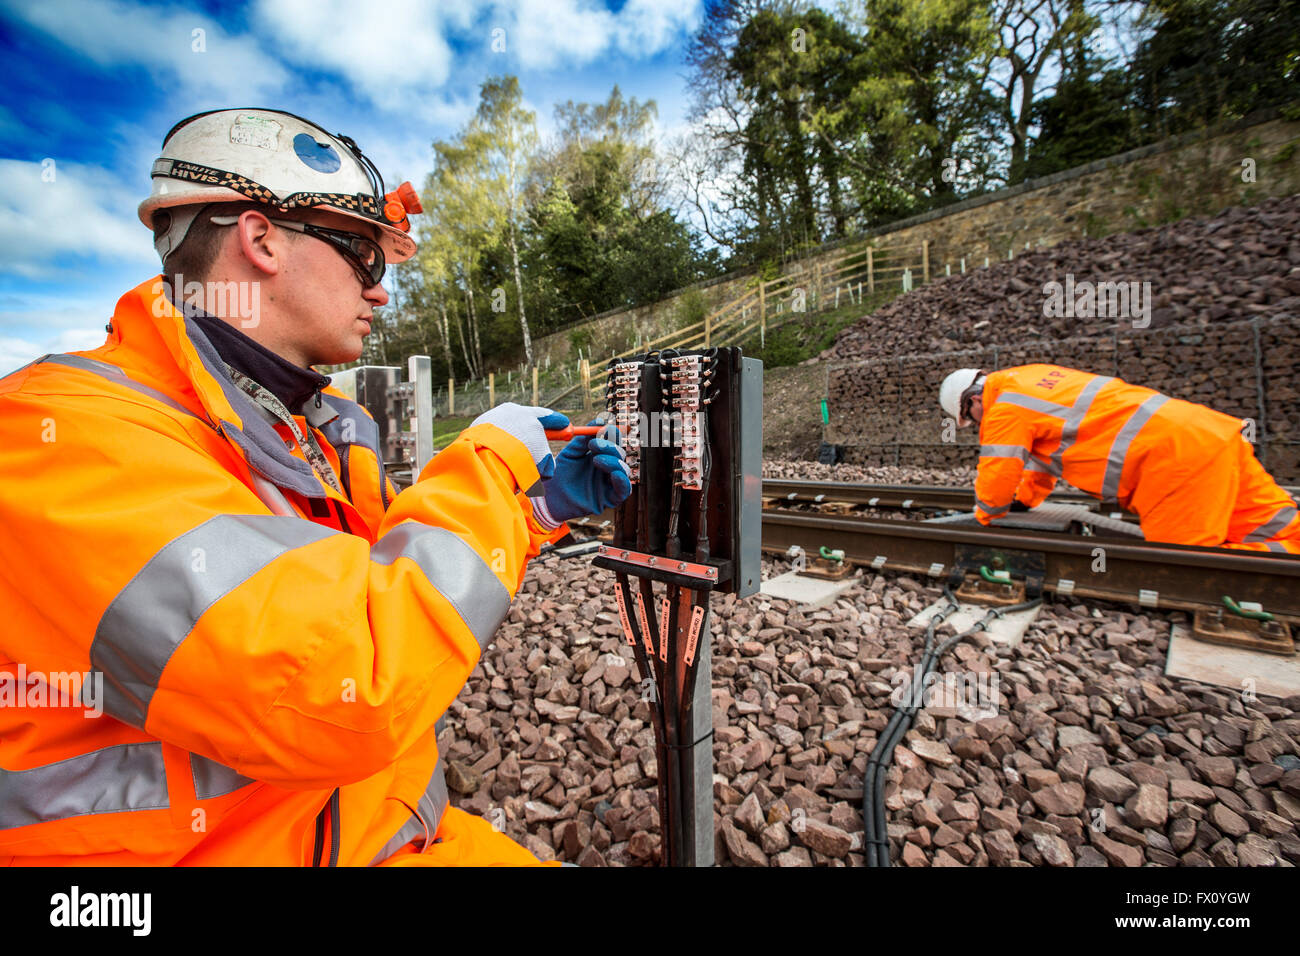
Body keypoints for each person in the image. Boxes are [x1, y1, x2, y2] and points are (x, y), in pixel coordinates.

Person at [0, 108, 631, 865]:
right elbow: (345, 681)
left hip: (370, 826)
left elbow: (371, 585)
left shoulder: (302, 425)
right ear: (261, 238)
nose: (381, 292)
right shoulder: (59, 434)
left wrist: (534, 509)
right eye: (365, 255)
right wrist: (491, 468)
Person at [938, 364, 1299, 553]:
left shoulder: (1003, 409)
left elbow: (999, 469)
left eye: (971, 419)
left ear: (972, 401)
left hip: (1173, 464)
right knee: (1283, 528)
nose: (977, 424)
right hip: (1206, 434)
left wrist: (987, 514)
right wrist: (1025, 501)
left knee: (1189, 566)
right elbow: (1038, 463)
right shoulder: (1029, 379)